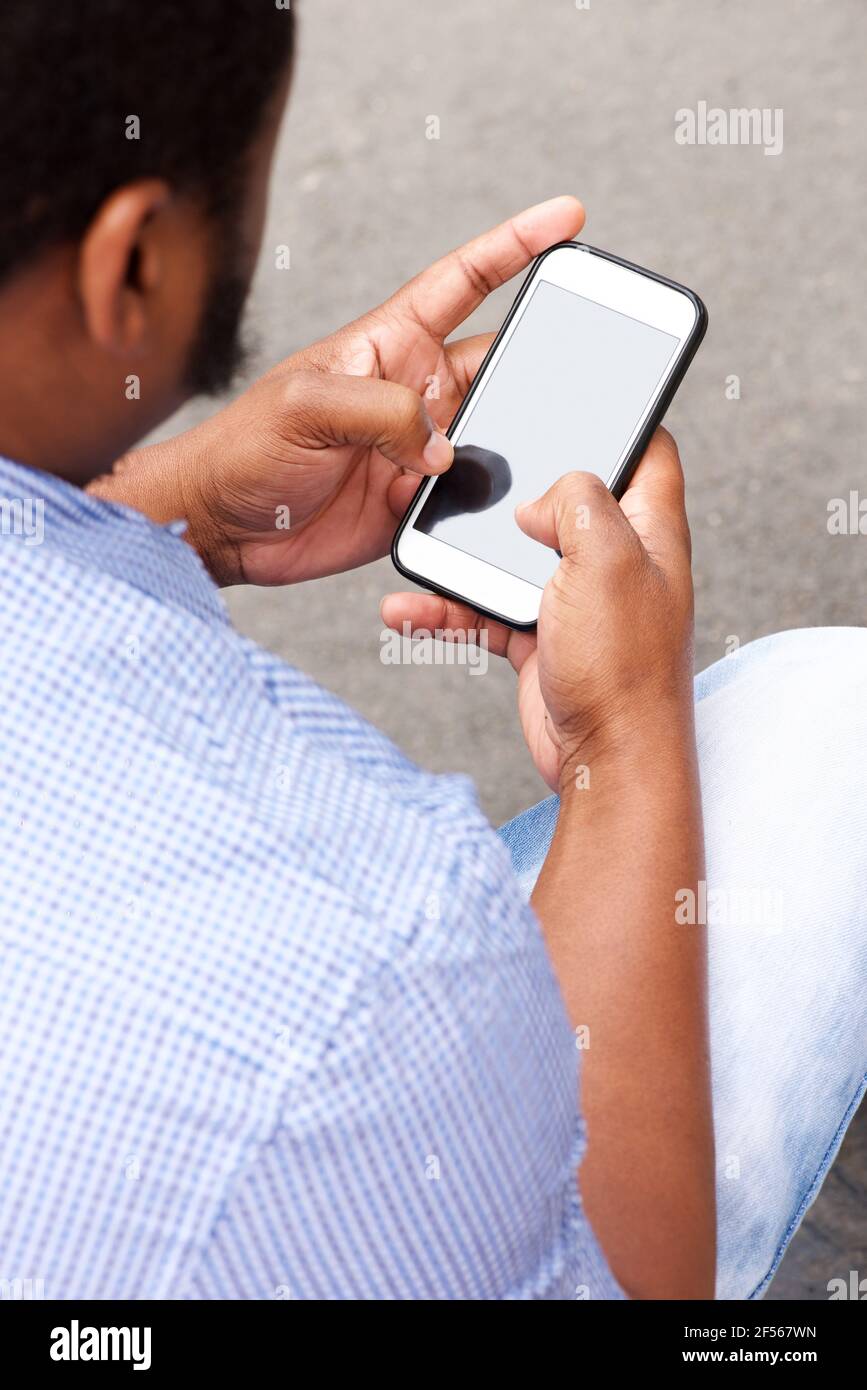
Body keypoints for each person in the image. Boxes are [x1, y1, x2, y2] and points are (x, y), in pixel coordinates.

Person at [0, 1, 863, 1302]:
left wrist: (176, 507)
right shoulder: (380, 959)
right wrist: (623, 752)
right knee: (833, 719)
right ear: (132, 265)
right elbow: (631, 1282)